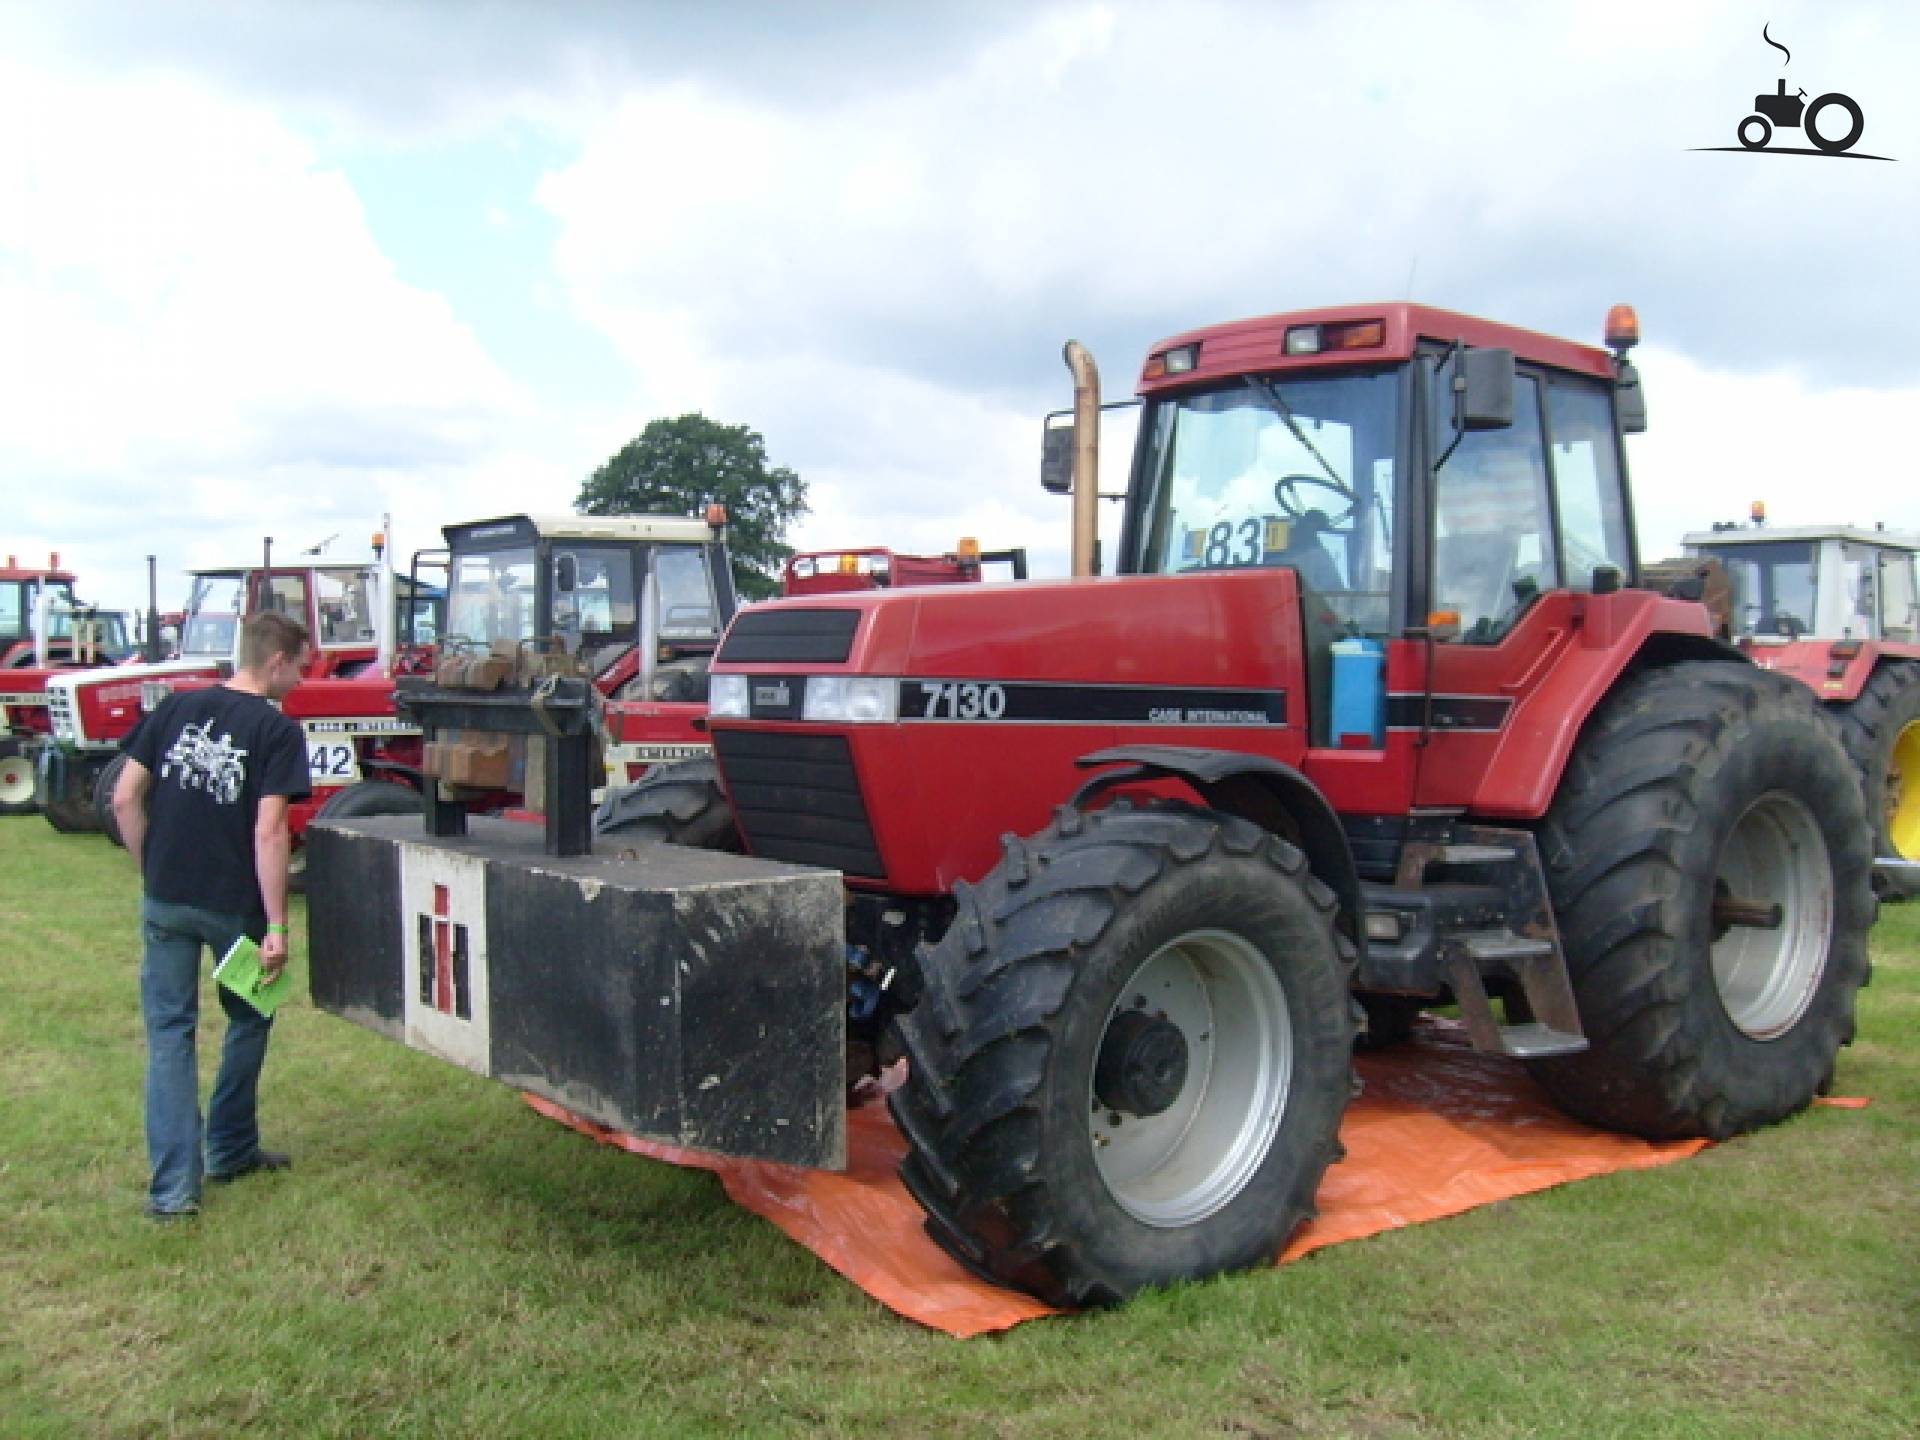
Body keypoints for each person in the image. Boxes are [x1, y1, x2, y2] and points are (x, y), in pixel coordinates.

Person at [113, 611, 313, 1220]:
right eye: (300, 666)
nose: (302, 679)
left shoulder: (175, 708)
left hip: (166, 899)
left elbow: (125, 796)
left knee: (170, 1035)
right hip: (234, 907)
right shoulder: (276, 731)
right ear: (276, 661)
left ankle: (174, 1192)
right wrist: (277, 925)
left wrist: (153, 867)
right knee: (249, 1018)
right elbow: (271, 829)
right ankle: (227, 1148)